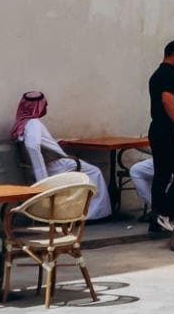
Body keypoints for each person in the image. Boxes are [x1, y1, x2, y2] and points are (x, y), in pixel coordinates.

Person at [12, 92, 112, 221]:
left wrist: (56, 145)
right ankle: (94, 214)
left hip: (53, 164)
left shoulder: (23, 124)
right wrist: (42, 180)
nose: (45, 108)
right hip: (57, 166)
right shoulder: (33, 123)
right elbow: (33, 147)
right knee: (95, 172)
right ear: (37, 107)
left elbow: (41, 145)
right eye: (44, 105)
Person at [144, 40, 174, 236]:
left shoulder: (157, 74)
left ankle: (157, 220)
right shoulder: (168, 74)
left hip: (158, 130)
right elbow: (167, 100)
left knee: (162, 175)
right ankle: (165, 211)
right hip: (167, 132)